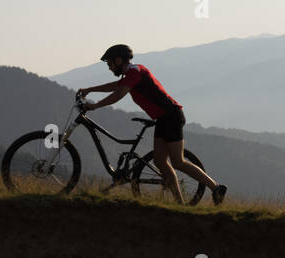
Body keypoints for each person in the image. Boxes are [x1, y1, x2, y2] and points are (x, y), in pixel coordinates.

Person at [76, 44, 228, 205]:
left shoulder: (135, 72)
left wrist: (95, 105)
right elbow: (115, 86)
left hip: (172, 116)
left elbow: (119, 93)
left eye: (110, 63)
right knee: (160, 161)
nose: (109, 67)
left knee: (177, 161)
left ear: (119, 60)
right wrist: (89, 89)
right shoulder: (131, 73)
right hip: (163, 119)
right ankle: (180, 203)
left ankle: (216, 187)